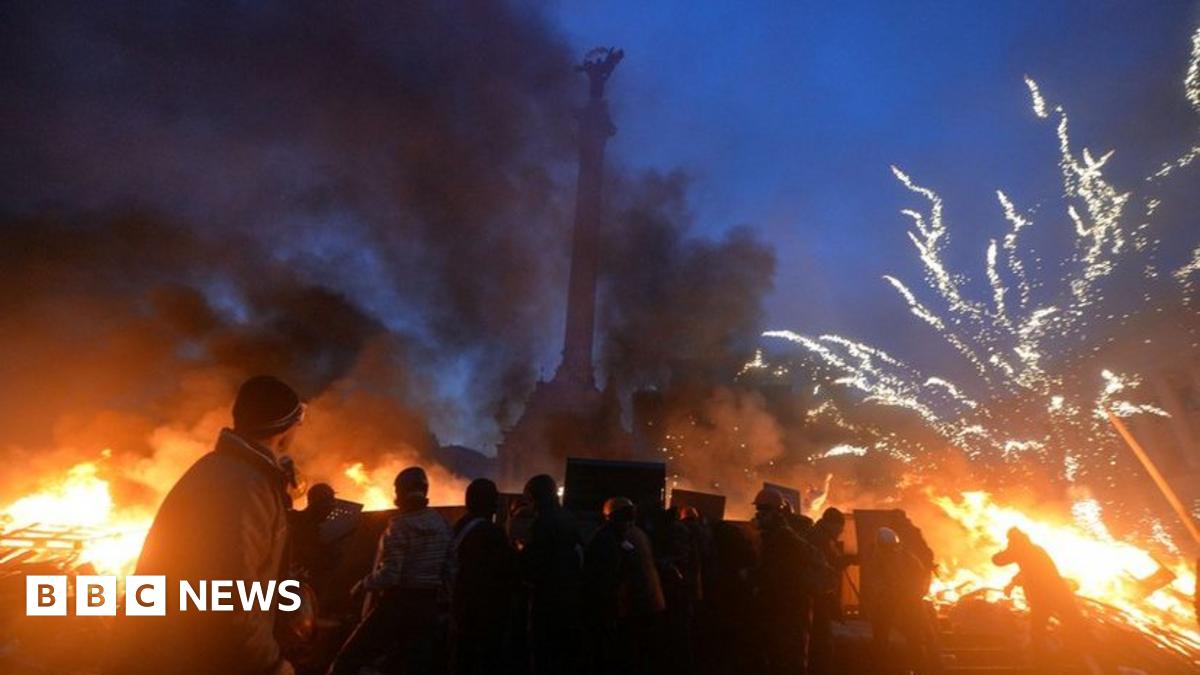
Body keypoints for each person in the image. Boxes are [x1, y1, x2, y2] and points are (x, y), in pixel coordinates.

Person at [110, 375, 304, 675]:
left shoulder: (219, 470)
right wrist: (269, 663)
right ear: (284, 428)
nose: (300, 428)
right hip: (187, 658)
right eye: (298, 421)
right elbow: (228, 595)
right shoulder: (245, 487)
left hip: (169, 649)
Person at [328, 467, 452, 675]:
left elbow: (391, 574)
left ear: (400, 492)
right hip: (428, 606)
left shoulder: (399, 526)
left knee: (349, 659)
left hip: (398, 604)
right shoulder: (441, 524)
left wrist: (363, 584)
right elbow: (449, 568)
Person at [992, 527, 1097, 670]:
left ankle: (1044, 663)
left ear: (1015, 540)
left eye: (1011, 540)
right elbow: (1026, 571)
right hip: (1059, 593)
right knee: (1072, 623)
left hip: (1044, 597)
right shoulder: (1034, 549)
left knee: (1039, 631)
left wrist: (1004, 551)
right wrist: (1012, 583)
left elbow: (998, 560)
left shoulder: (1022, 550)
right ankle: (1078, 652)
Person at [583, 496, 666, 675]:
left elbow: (608, 573)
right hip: (649, 602)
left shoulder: (611, 535)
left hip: (630, 607)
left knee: (623, 654)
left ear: (609, 516)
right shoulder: (639, 533)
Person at [753, 488, 832, 675]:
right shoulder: (771, 537)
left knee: (789, 661)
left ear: (778, 512)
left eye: (765, 510)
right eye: (759, 510)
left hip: (790, 611)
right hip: (779, 610)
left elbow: (781, 574)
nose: (760, 514)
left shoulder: (786, 539)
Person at [450, 479, 517, 675]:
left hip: (460, 607)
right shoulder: (492, 532)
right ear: (492, 503)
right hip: (486, 613)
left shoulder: (459, 526)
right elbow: (506, 570)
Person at [520, 474, 584, 675]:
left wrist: (520, 550)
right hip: (569, 599)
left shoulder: (541, 523)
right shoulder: (568, 517)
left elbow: (533, 566)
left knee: (543, 656)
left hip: (546, 602)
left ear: (535, 497)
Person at [862, 527, 939, 674]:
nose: (889, 551)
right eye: (887, 548)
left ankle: (918, 669)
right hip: (889, 602)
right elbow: (874, 580)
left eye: (891, 548)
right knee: (881, 638)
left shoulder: (907, 558)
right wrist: (884, 593)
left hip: (909, 602)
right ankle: (880, 668)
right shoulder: (877, 558)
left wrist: (915, 594)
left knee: (915, 637)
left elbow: (921, 577)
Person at [806, 506, 852, 675]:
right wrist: (846, 561)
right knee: (822, 641)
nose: (841, 531)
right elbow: (827, 565)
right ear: (831, 524)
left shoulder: (821, 536)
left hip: (820, 595)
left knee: (821, 640)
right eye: (840, 527)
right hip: (817, 597)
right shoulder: (820, 539)